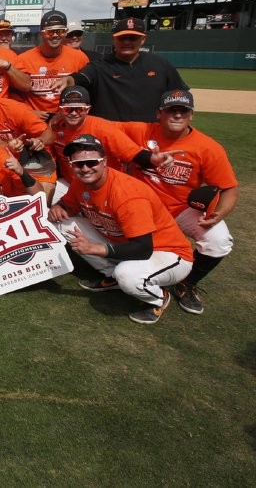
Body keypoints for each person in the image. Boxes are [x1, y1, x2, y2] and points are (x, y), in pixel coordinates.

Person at [48, 134, 193, 325]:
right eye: (78, 164)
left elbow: (143, 248)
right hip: (126, 242)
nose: (84, 168)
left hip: (168, 253)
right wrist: (60, 207)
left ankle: (158, 297)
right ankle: (112, 276)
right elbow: (68, 205)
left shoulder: (128, 195)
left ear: (105, 162)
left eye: (91, 162)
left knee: (127, 274)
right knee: (61, 223)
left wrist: (95, 249)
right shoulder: (81, 182)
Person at [117, 90, 238, 315]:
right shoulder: (139, 131)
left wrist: (220, 213)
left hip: (182, 209)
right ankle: (115, 274)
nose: (177, 115)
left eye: (183, 111)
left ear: (191, 115)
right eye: (171, 110)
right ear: (159, 113)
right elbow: (103, 129)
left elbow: (229, 188)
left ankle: (186, 284)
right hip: (142, 207)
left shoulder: (207, 148)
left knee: (219, 240)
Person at [58, 17, 188, 122]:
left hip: (150, 135)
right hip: (112, 136)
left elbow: (179, 96)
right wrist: (69, 79)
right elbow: (82, 77)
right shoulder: (101, 65)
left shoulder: (160, 64)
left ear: (143, 39)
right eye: (122, 38)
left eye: (132, 38)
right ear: (114, 39)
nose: (126, 42)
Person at [15, 10, 89, 119]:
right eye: (50, 32)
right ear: (41, 34)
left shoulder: (79, 57)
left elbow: (90, 89)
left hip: (69, 118)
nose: (55, 35)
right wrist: (28, 112)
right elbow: (13, 93)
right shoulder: (23, 59)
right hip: (36, 119)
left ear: (65, 32)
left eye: (59, 31)